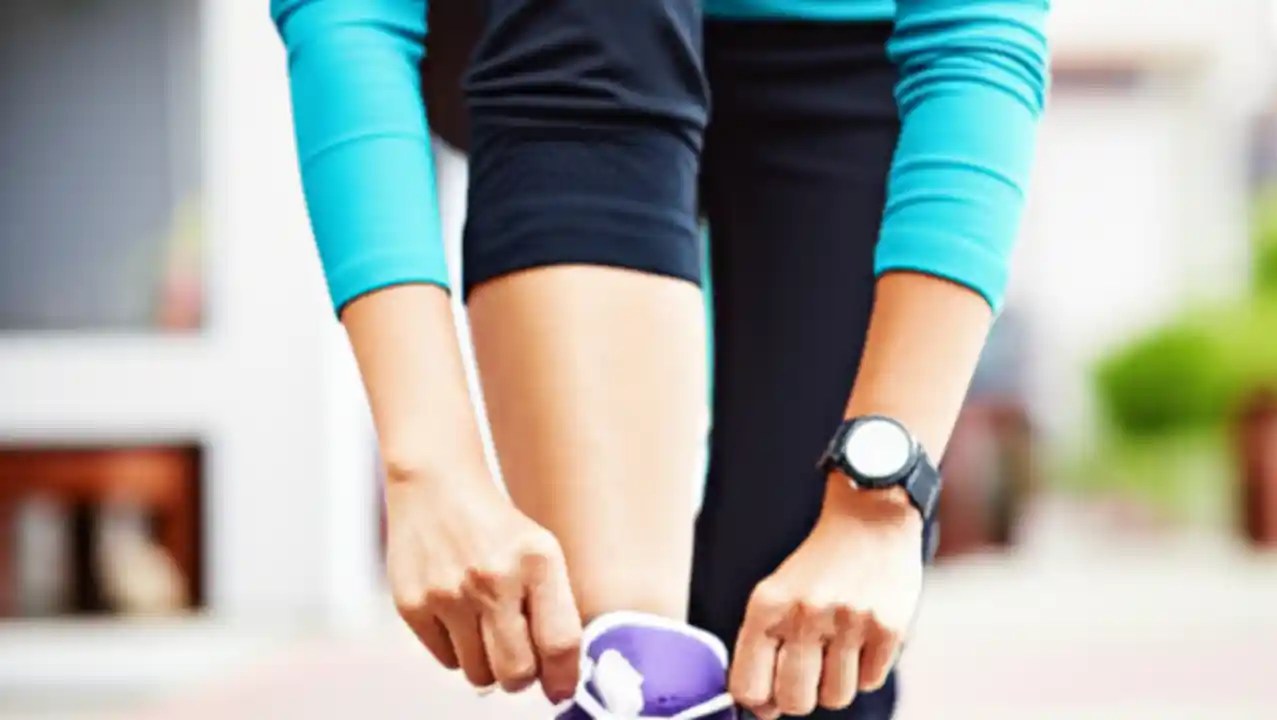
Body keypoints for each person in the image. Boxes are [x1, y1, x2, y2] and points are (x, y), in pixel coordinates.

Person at [271, 1, 1048, 718]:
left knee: (809, 651)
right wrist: (429, 468)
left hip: (844, 39)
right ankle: (638, 679)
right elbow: (349, 17)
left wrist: (879, 507)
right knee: (648, 676)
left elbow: (974, 35)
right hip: (565, 41)